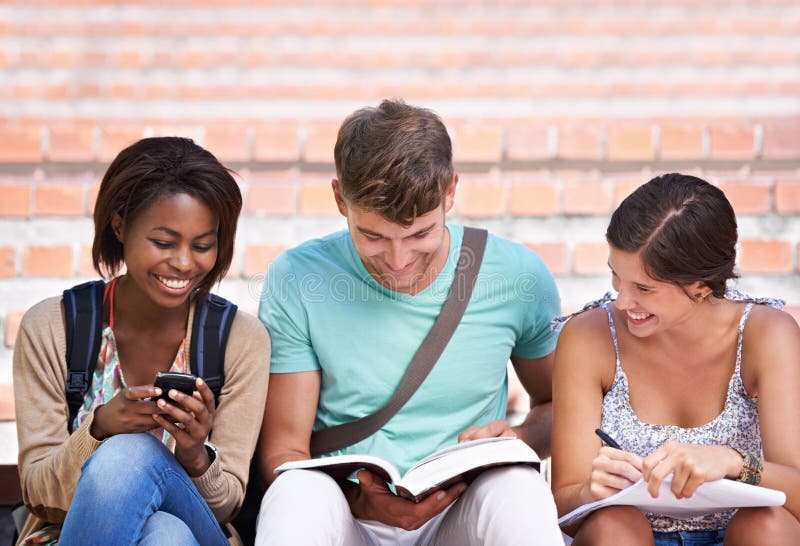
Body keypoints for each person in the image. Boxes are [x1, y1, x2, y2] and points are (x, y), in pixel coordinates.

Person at [254, 99, 564, 545]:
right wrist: (361, 501)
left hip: (463, 514)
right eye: (373, 236)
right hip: (349, 514)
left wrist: (517, 436)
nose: (398, 261)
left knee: (518, 487)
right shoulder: (298, 278)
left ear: (450, 192)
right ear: (340, 199)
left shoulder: (517, 277)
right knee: (295, 492)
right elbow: (284, 450)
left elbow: (560, 407)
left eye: (420, 234)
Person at [13, 137, 270, 545]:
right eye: (165, 243)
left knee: (135, 464)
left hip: (201, 532)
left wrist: (194, 454)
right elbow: (39, 494)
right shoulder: (54, 327)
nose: (185, 263)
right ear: (120, 224)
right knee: (163, 534)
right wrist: (98, 429)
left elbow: (227, 505)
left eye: (203, 245)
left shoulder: (239, 340)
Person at [551, 173, 800, 546]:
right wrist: (589, 491)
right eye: (616, 276)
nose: (622, 301)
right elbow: (563, 510)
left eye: (644, 289)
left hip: (746, 538)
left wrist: (733, 462)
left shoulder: (767, 334)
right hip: (626, 540)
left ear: (701, 286)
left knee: (767, 525)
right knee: (614, 526)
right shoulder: (589, 336)